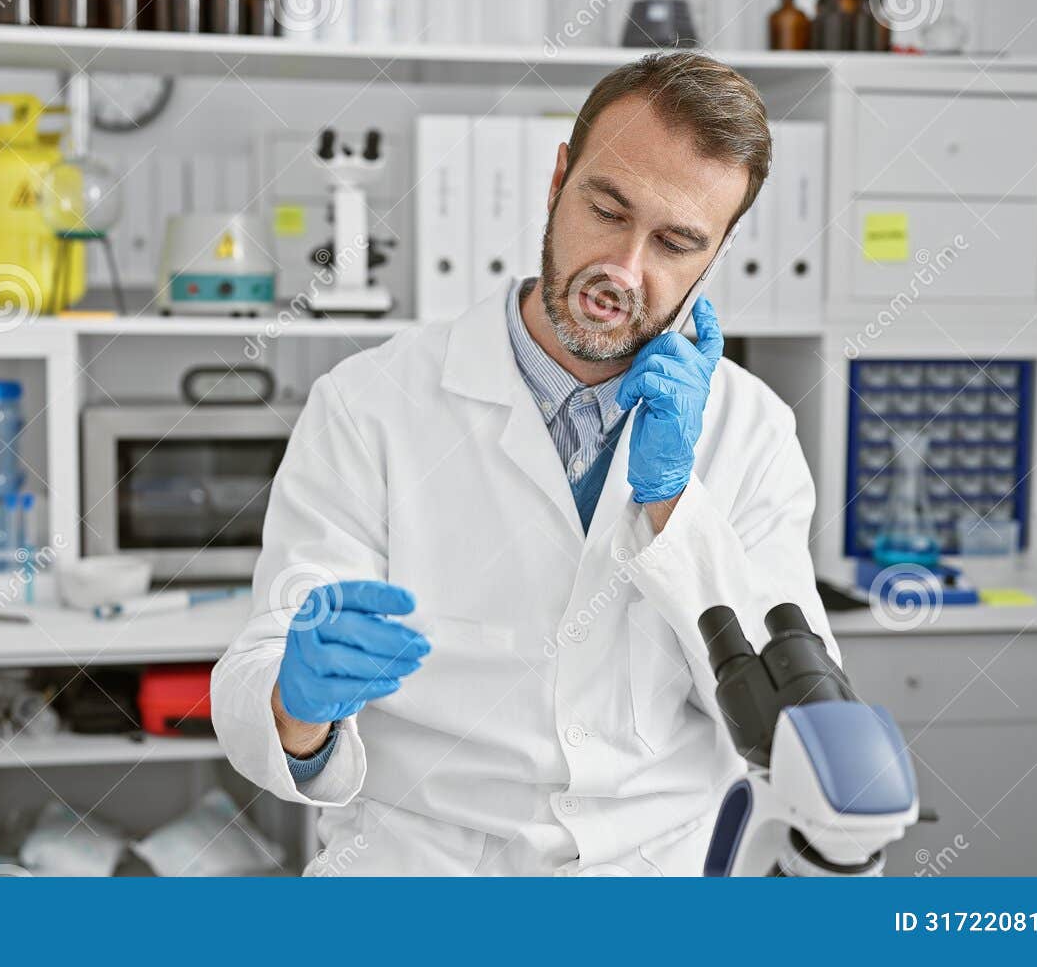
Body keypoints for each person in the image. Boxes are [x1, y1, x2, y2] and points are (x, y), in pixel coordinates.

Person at [211, 51, 837, 875]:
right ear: (558, 179)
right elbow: (266, 667)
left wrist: (675, 503)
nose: (625, 268)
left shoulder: (750, 429)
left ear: (715, 255)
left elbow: (797, 730)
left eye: (677, 242)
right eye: (607, 210)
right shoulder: (369, 402)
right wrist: (299, 703)